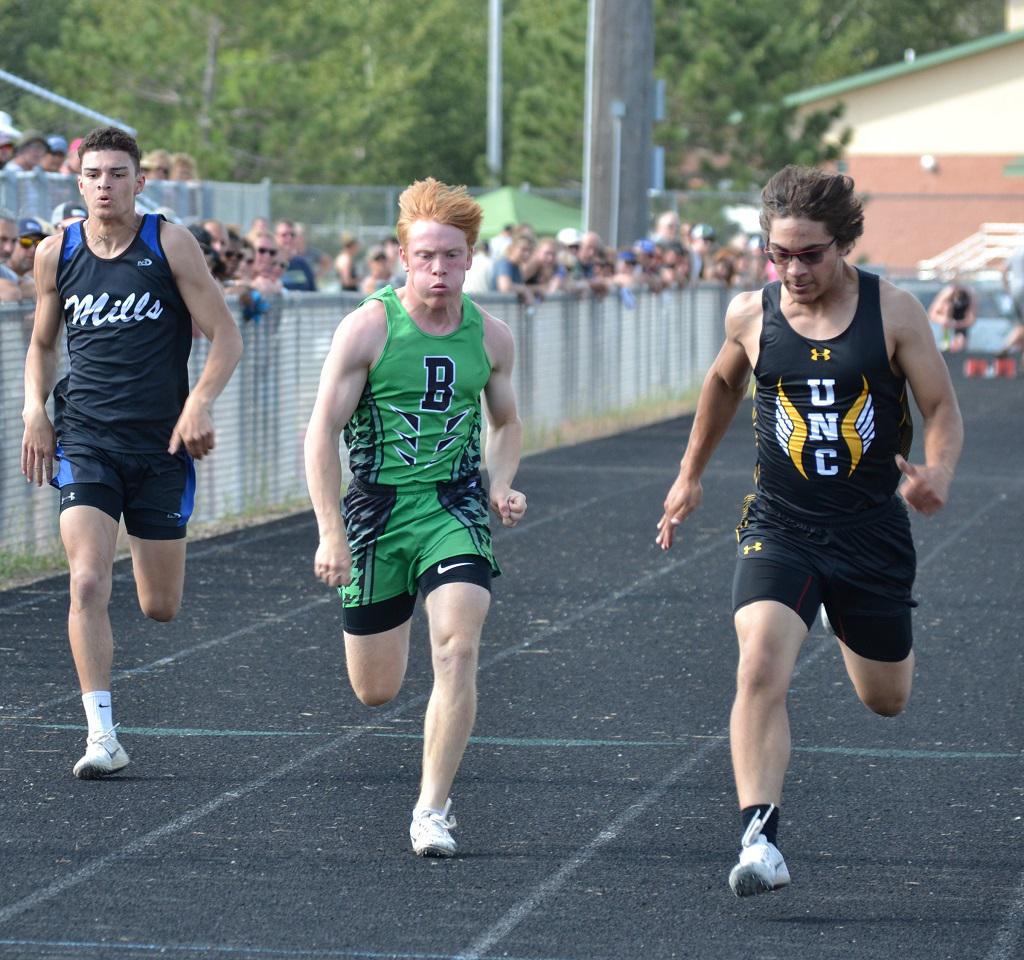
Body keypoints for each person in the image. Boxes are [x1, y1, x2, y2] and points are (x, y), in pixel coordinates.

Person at [657, 165, 963, 897]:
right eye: (780, 255)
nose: (793, 270)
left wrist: (938, 476)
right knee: (759, 663)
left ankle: (833, 608)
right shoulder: (750, 315)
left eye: (810, 255)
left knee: (885, 699)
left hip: (869, 532)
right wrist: (690, 473)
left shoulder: (893, 312)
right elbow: (724, 383)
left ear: (844, 243)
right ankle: (759, 839)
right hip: (781, 524)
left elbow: (942, 409)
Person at [304, 177, 526, 858]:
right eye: (426, 255)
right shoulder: (369, 327)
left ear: (469, 259)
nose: (438, 268)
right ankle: (425, 788)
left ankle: (433, 808)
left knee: (458, 648)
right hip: (375, 513)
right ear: (404, 256)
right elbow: (321, 432)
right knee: (376, 690)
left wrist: (502, 483)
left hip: (452, 506)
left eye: (452, 257)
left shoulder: (490, 337)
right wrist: (330, 530)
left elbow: (508, 420)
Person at [20, 126, 243, 779]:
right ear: (77, 181)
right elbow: (41, 343)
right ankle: (100, 734)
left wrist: (198, 401)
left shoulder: (169, 243)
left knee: (159, 606)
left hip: (160, 443)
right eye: (94, 174)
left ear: (139, 181)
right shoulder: (56, 251)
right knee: (87, 578)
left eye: (118, 173)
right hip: (85, 437)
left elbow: (224, 336)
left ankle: (157, 561)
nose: (105, 185)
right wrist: (35, 408)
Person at [927, 282, 975, 352]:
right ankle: (946, 342)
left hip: (960, 326)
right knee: (947, 307)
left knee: (959, 341)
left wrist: (958, 324)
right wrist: (945, 320)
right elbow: (932, 314)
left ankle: (955, 345)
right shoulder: (947, 294)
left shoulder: (969, 295)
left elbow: (971, 318)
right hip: (946, 327)